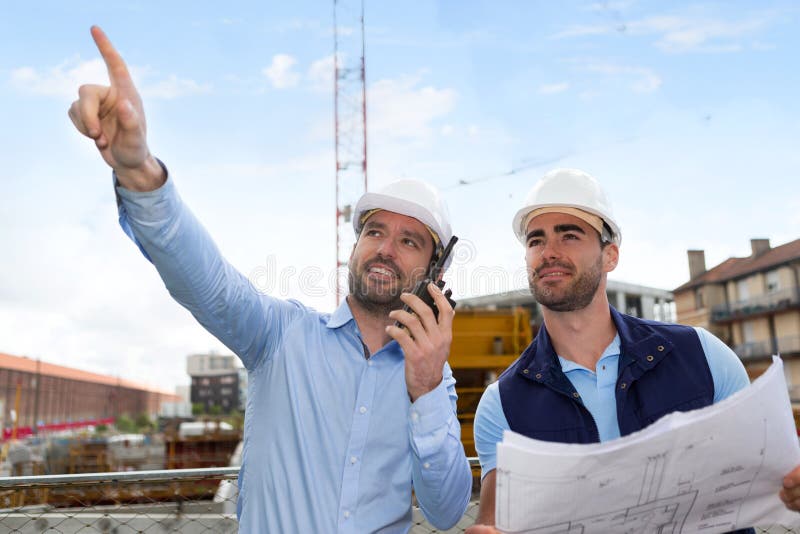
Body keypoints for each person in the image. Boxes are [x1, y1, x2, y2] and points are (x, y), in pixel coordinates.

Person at [68, 26, 471, 533]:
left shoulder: (434, 381)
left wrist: (428, 388)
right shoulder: (280, 336)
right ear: (355, 246)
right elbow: (207, 282)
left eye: (410, 241)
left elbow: (446, 509)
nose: (386, 248)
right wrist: (140, 172)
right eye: (374, 231)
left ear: (435, 273)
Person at [466, 168, 800, 533]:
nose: (549, 252)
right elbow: (493, 519)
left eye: (570, 235)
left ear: (610, 256)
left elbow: (771, 473)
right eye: (535, 240)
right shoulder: (503, 404)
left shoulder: (702, 356)